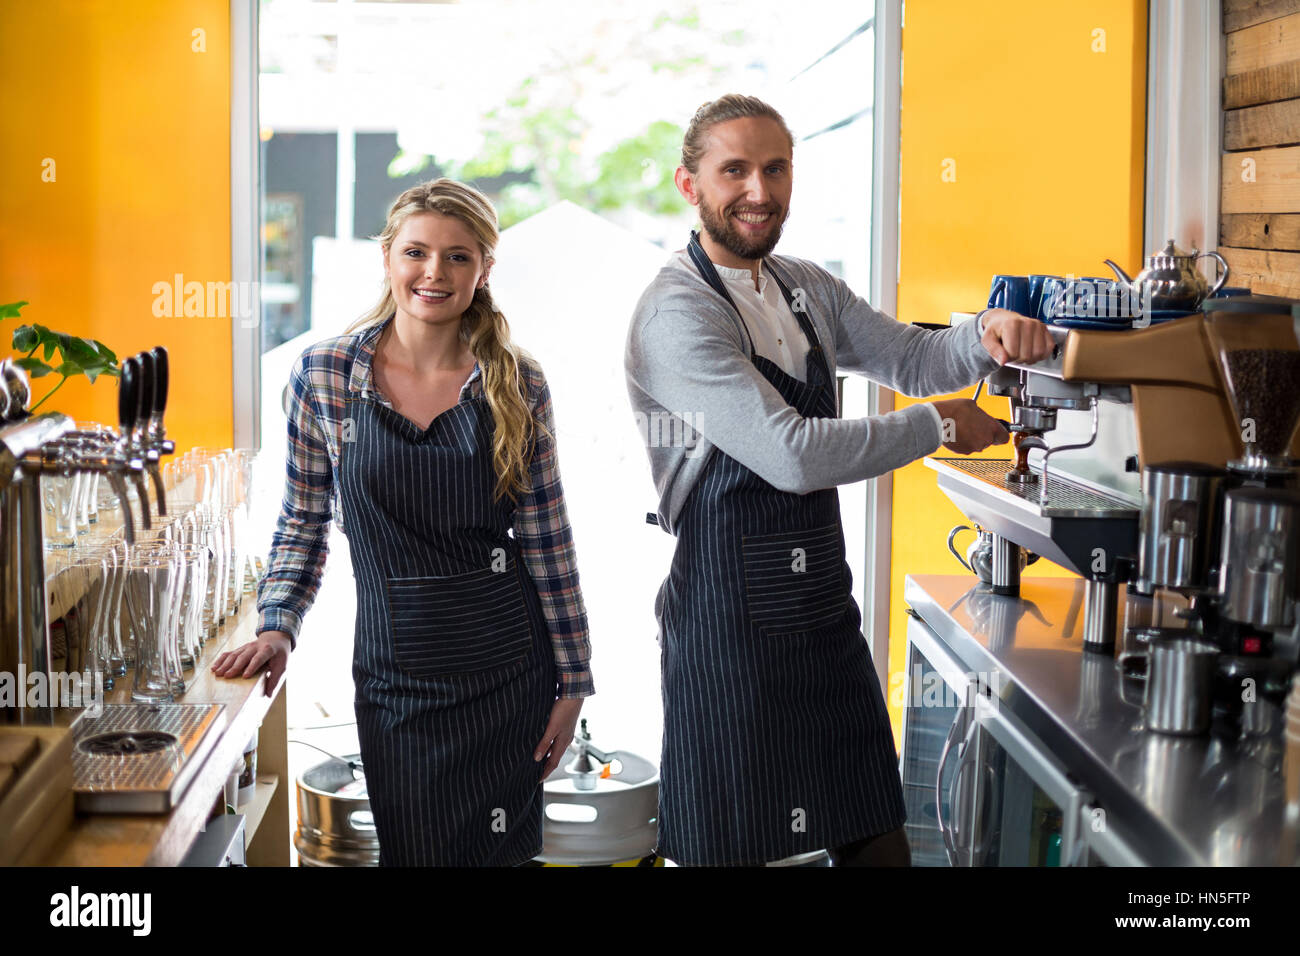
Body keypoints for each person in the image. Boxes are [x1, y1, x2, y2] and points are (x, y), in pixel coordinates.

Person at [625, 94, 1054, 867]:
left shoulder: (804, 288)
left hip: (821, 610)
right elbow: (791, 455)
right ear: (690, 186)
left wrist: (987, 333)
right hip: (729, 631)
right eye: (735, 171)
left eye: (775, 167)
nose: (759, 191)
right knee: (732, 849)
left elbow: (915, 361)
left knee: (874, 840)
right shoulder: (674, 313)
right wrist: (937, 428)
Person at [213, 179, 593, 866]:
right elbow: (304, 518)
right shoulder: (324, 376)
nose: (434, 272)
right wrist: (277, 625)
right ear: (387, 256)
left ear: (484, 270)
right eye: (416, 252)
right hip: (398, 677)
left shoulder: (516, 383)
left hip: (509, 671)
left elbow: (547, 540)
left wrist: (575, 682)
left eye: (457, 257)